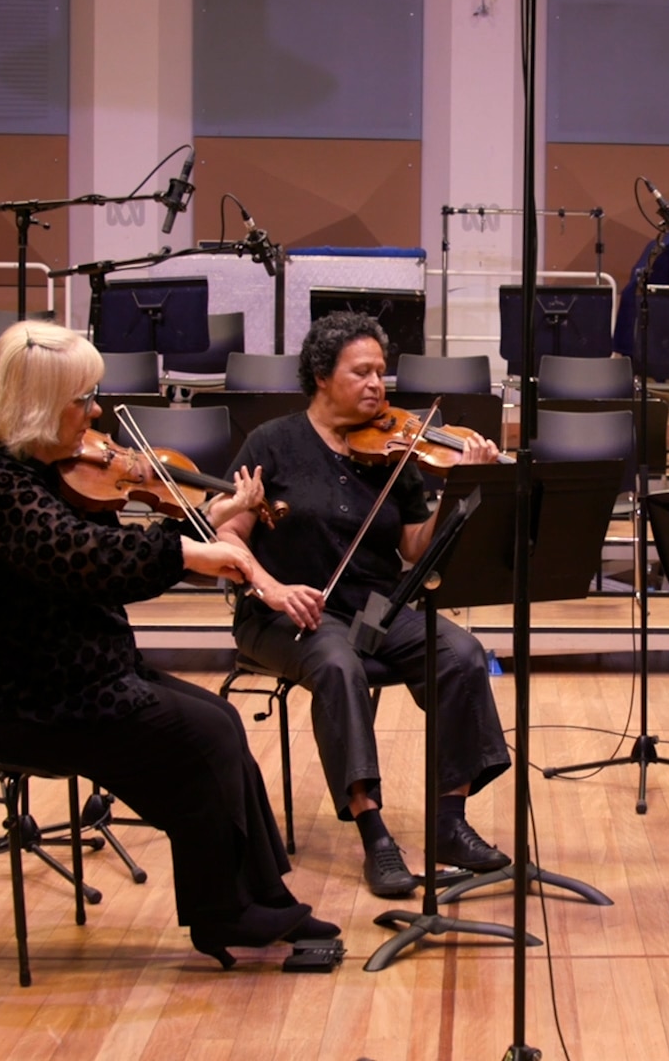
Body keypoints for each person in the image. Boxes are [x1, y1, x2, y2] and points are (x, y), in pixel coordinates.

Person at [0, 322, 328, 970]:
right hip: (19, 694)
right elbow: (87, 559)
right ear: (36, 406)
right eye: (80, 400)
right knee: (199, 738)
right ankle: (222, 912)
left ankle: (259, 893)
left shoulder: (39, 474)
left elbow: (90, 535)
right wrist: (184, 550)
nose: (95, 413)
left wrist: (202, 510)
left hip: (78, 674)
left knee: (222, 723)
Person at [215, 311, 513, 899]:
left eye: (382, 372)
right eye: (362, 372)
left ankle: (449, 823)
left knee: (459, 650)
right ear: (323, 376)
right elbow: (228, 536)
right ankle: (374, 832)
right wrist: (272, 588)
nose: (378, 384)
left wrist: (459, 492)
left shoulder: (394, 450)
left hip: (373, 607)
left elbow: (412, 546)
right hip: (282, 613)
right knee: (336, 663)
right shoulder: (272, 443)